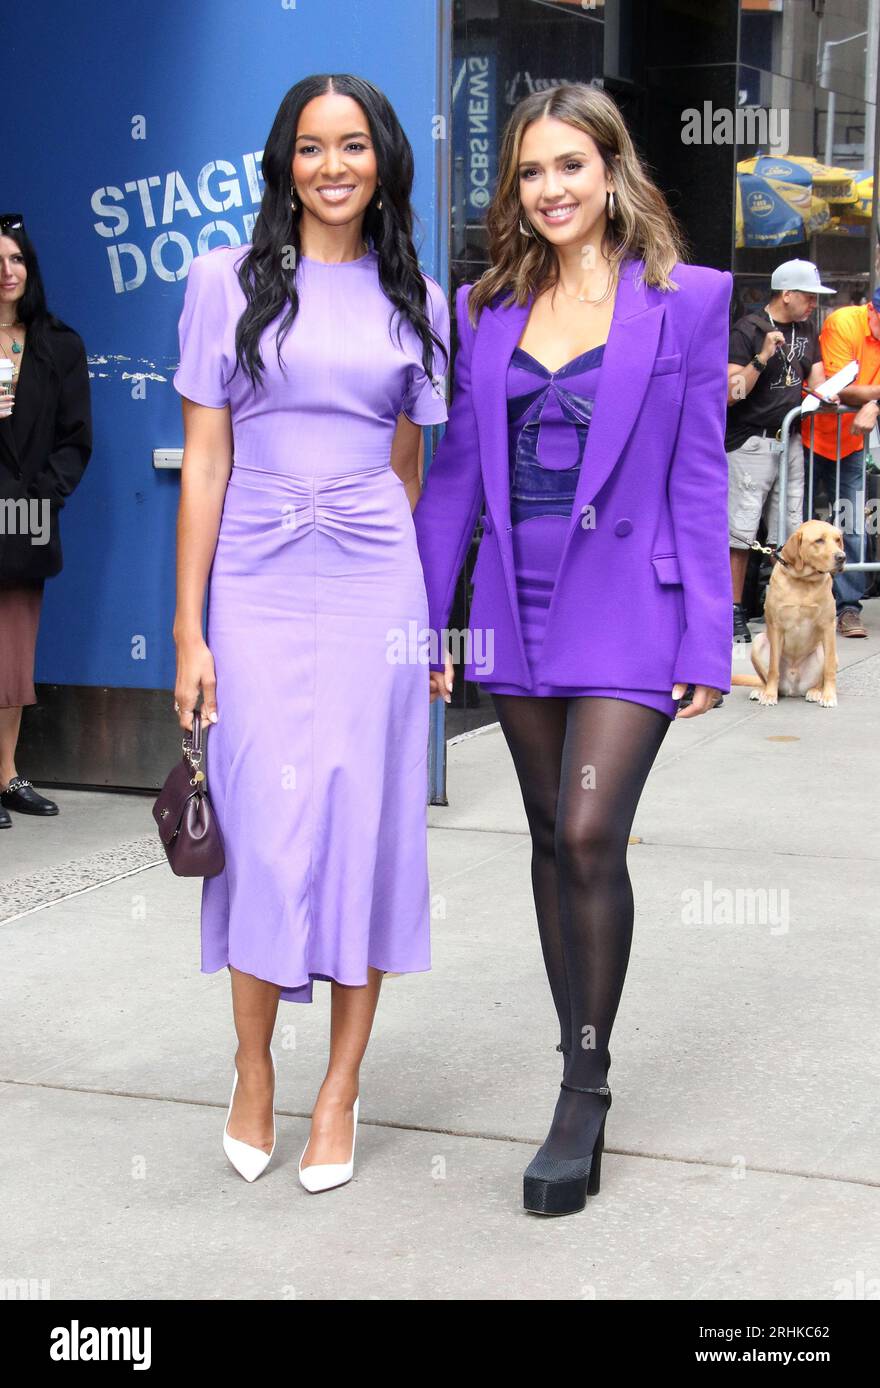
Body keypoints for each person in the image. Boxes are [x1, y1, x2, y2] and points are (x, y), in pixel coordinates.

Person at [413, 83, 732, 1217]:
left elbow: (698, 478)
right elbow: (452, 479)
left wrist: (710, 631)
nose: (549, 190)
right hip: (513, 599)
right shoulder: (482, 306)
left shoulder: (685, 301)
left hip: (627, 601)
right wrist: (426, 623)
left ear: (612, 173)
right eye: (530, 172)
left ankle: (581, 1089)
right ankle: (579, 1051)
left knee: (594, 828)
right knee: (550, 836)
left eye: (570, 167)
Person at [171, 76, 449, 1191]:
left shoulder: (420, 297)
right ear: (282, 161)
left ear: (383, 159)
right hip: (253, 579)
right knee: (261, 822)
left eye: (353, 146)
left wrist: (420, 625)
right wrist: (187, 633)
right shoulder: (217, 283)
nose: (332, 166)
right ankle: (252, 1068)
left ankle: (339, 1088)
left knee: (361, 824)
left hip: (371, 584)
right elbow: (205, 461)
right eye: (308, 147)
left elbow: (411, 467)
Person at [0, 213, 92, 830]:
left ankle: (5, 775)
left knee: (11, 657)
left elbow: (75, 440)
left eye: (14, 259)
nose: (5, 273)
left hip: (25, 516)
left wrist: (38, 499)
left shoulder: (60, 344)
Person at [725, 259, 834, 642]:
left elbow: (815, 378)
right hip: (751, 440)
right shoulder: (747, 330)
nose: (812, 304)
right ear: (786, 294)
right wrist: (762, 357)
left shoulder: (807, 329)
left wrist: (827, 391)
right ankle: (733, 612)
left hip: (790, 437)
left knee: (788, 530)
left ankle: (778, 605)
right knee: (740, 530)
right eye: (807, 296)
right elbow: (729, 394)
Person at [800, 285, 880, 638]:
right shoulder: (843, 323)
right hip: (813, 436)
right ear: (872, 312)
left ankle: (849, 608)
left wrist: (873, 402)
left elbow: (860, 393)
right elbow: (837, 389)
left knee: (853, 524)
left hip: (852, 443)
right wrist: (866, 398)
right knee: (804, 525)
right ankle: (801, 601)